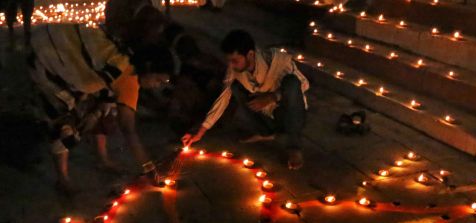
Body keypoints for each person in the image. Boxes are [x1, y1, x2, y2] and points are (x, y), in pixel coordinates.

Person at [28, 24, 173, 192]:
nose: (157, 86)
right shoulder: (128, 79)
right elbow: (128, 129)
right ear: (148, 68)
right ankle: (63, 179)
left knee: (105, 107)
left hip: (58, 37)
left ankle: (102, 159)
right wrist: (149, 168)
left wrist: (96, 112)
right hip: (50, 55)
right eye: (158, 80)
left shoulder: (127, 60)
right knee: (61, 118)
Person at [182, 29, 309, 170]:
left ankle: (294, 148)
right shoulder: (235, 70)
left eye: (235, 61)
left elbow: (304, 84)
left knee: (292, 82)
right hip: (267, 114)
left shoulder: (278, 61)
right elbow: (223, 98)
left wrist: (272, 97)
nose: (231, 65)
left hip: (289, 115)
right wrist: (201, 131)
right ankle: (266, 132)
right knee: (235, 87)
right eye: (229, 61)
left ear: (250, 54)